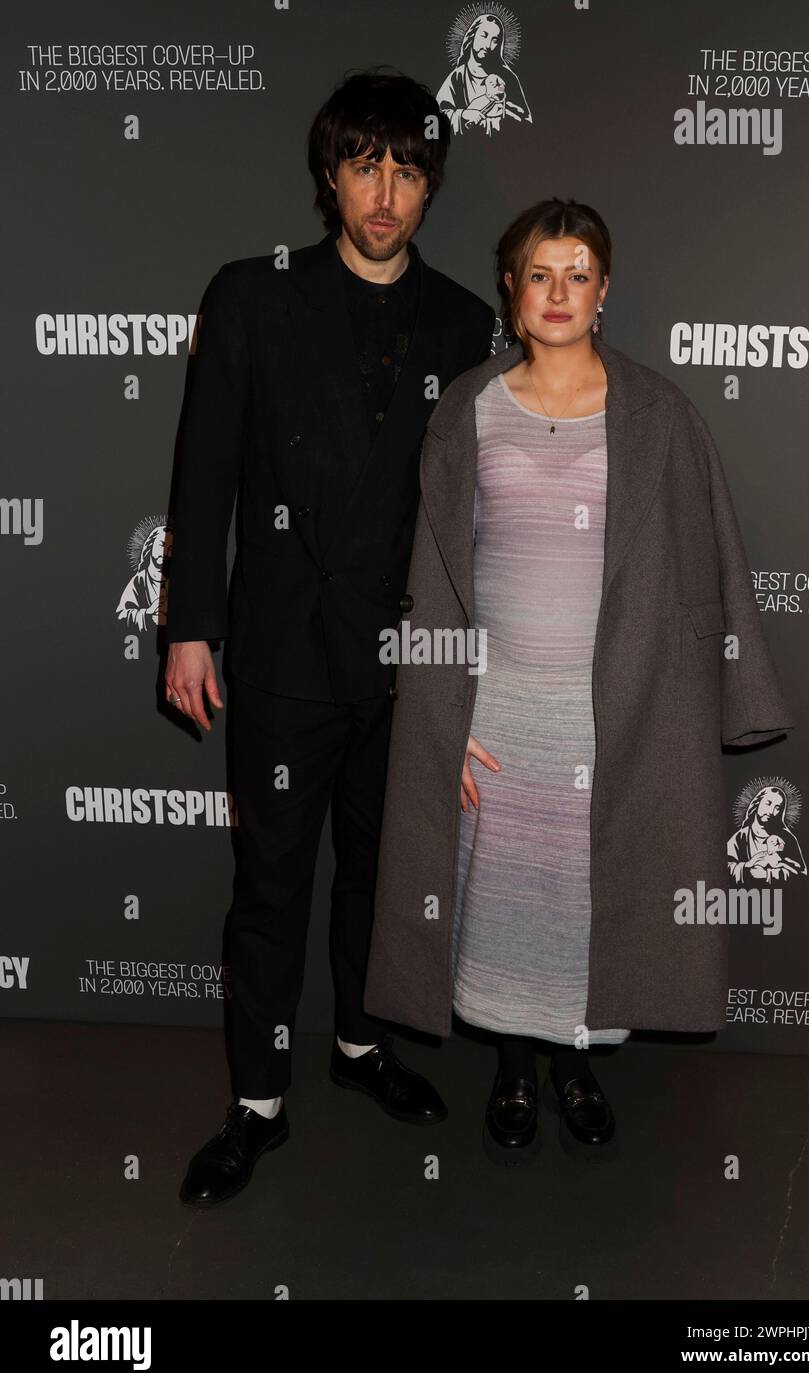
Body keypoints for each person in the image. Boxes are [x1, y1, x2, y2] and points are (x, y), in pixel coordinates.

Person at [362, 198, 794, 1166]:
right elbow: (428, 579)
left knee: (592, 902)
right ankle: (514, 1066)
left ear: (603, 292)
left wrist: (694, 707)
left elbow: (707, 569)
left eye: (577, 274)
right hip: (499, 711)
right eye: (537, 274)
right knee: (504, 904)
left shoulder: (659, 415)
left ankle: (575, 1067)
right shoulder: (465, 409)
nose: (557, 293)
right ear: (510, 291)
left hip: (615, 717)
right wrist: (441, 716)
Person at [164, 70, 495, 1206]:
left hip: (403, 660)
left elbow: (474, 512)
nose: (384, 191)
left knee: (379, 871)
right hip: (284, 649)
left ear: (428, 181)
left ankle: (360, 1043)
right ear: (328, 174)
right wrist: (191, 631)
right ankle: (256, 1099)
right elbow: (203, 474)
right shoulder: (251, 297)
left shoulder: (462, 321)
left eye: (406, 168)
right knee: (270, 881)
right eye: (364, 164)